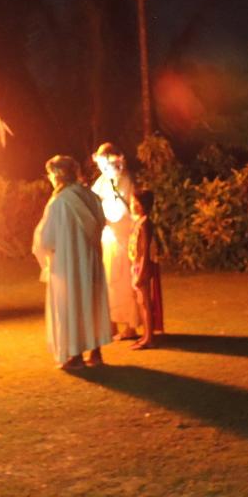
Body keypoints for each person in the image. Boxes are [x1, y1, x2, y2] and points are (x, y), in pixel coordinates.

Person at [33, 154, 111, 370]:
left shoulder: (59, 202)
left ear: (57, 175)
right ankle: (95, 352)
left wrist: (46, 252)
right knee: (91, 303)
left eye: (50, 174)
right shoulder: (90, 196)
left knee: (71, 305)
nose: (49, 178)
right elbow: (100, 223)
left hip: (68, 263)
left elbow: (46, 238)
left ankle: (75, 355)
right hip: (90, 260)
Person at [92, 143, 140, 340]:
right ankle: (110, 323)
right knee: (108, 282)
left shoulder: (126, 180)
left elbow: (130, 207)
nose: (104, 167)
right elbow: (93, 201)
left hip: (123, 237)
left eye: (107, 162)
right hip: (108, 237)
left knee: (125, 283)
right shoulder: (102, 182)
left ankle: (130, 326)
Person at [128, 189, 165, 350]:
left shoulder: (145, 223)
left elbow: (144, 249)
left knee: (145, 302)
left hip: (143, 266)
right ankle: (146, 335)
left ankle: (149, 337)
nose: (133, 206)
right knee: (141, 301)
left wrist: (142, 271)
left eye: (135, 203)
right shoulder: (140, 221)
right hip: (137, 265)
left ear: (143, 205)